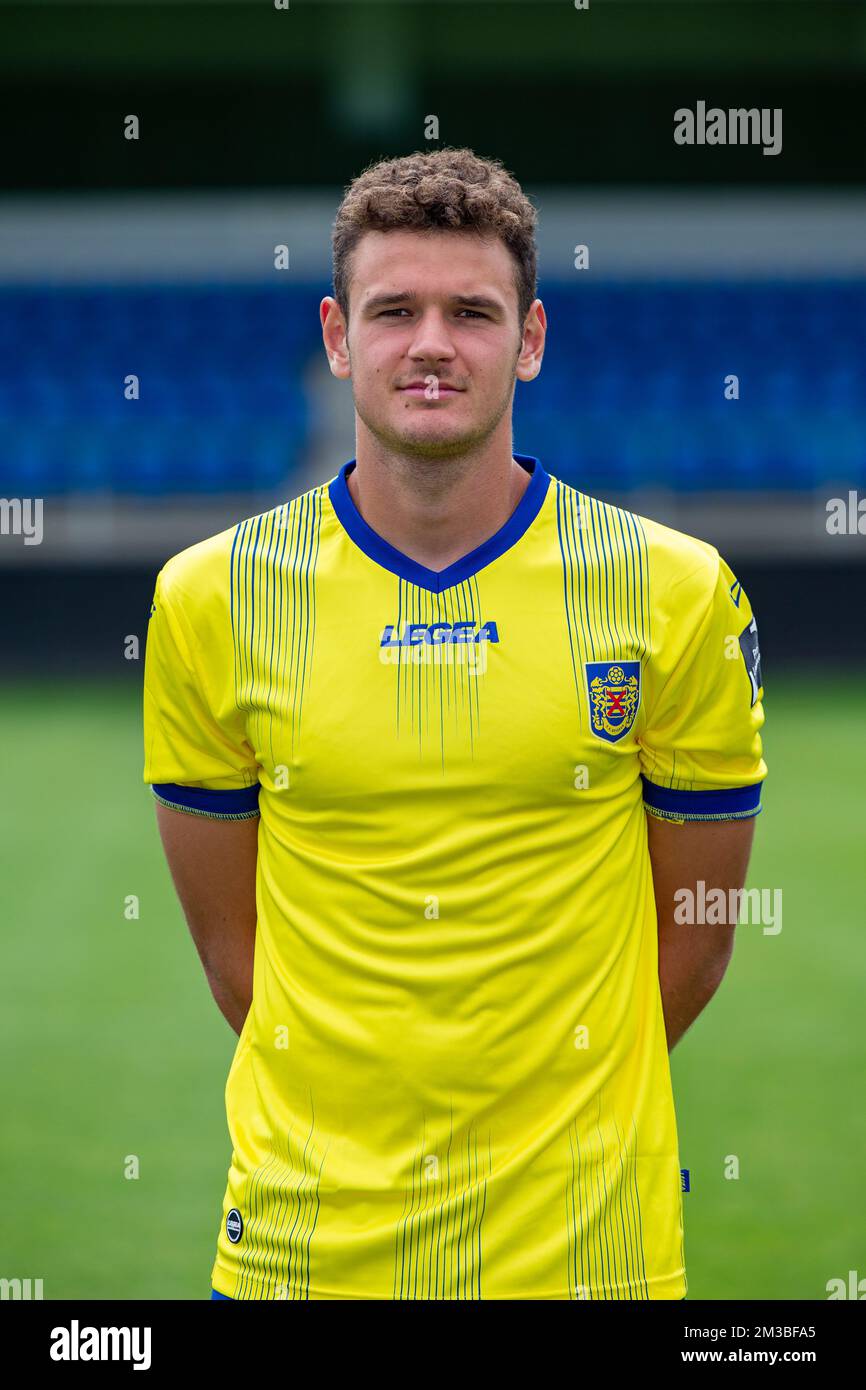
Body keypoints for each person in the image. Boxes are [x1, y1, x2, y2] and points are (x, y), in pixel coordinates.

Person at [143, 147, 766, 1300]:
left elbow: (696, 938)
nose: (431, 343)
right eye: (394, 311)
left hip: (590, 1255)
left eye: (472, 312)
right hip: (300, 1250)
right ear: (337, 336)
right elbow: (240, 965)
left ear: (529, 338)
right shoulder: (209, 599)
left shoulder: (671, 591)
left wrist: (549, 1103)